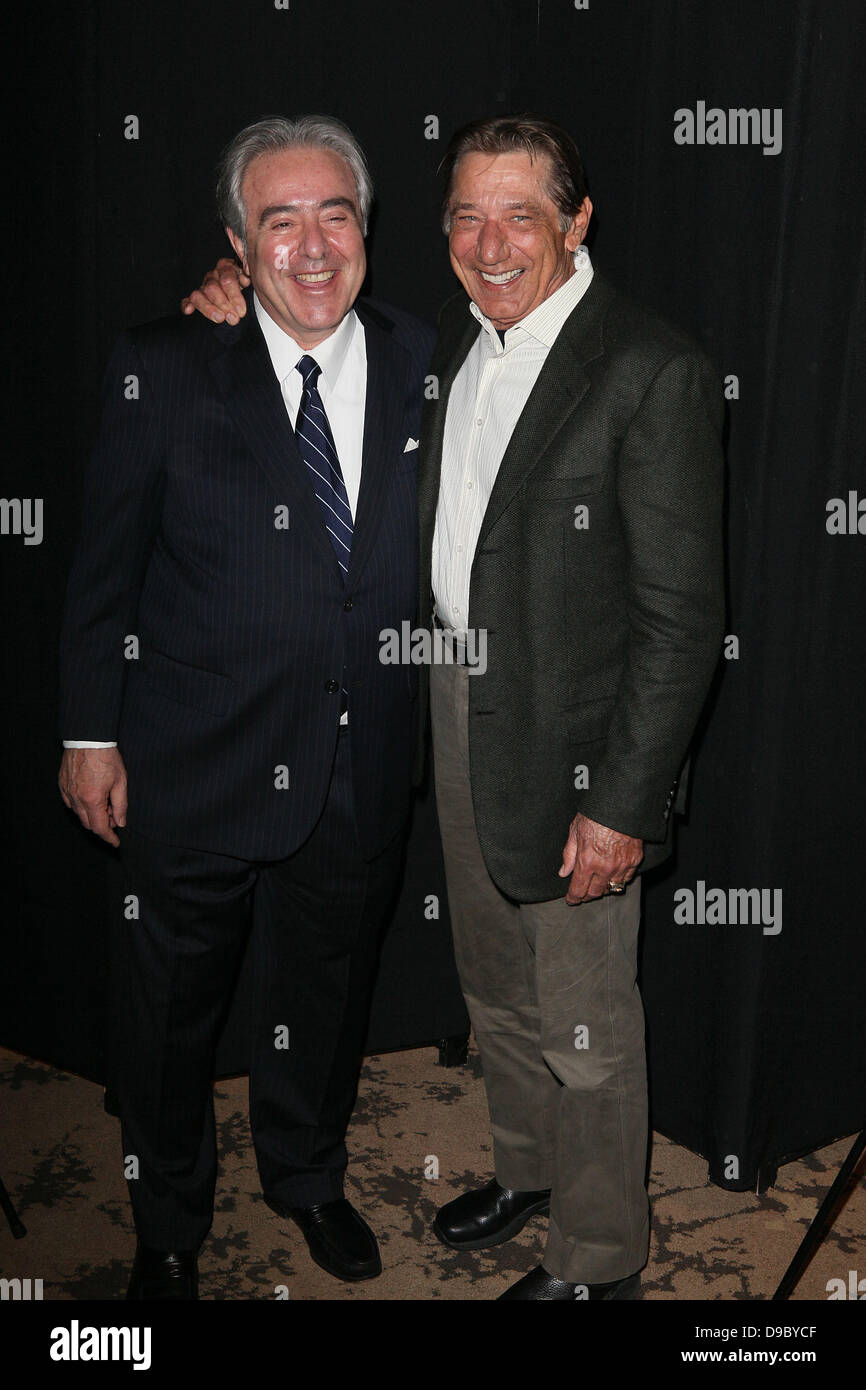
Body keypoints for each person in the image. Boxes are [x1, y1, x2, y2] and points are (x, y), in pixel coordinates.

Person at [188, 112, 725, 1302]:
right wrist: (230, 292)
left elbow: (682, 622)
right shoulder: (444, 339)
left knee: (584, 1020)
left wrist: (623, 802)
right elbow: (306, 320)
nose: (489, 245)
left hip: (580, 748)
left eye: (519, 216)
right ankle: (529, 1173)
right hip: (450, 702)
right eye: (465, 218)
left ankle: (597, 1257)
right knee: (495, 985)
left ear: (576, 223)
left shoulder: (650, 368)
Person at [57, 114, 434, 1299]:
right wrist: (88, 733)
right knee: (168, 1014)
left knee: (324, 996)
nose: (312, 246)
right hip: (191, 760)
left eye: (335, 215)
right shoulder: (164, 365)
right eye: (280, 222)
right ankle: (167, 1221)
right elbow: (103, 570)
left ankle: (306, 1177)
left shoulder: (427, 360)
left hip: (359, 759)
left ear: (366, 228)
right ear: (236, 243)